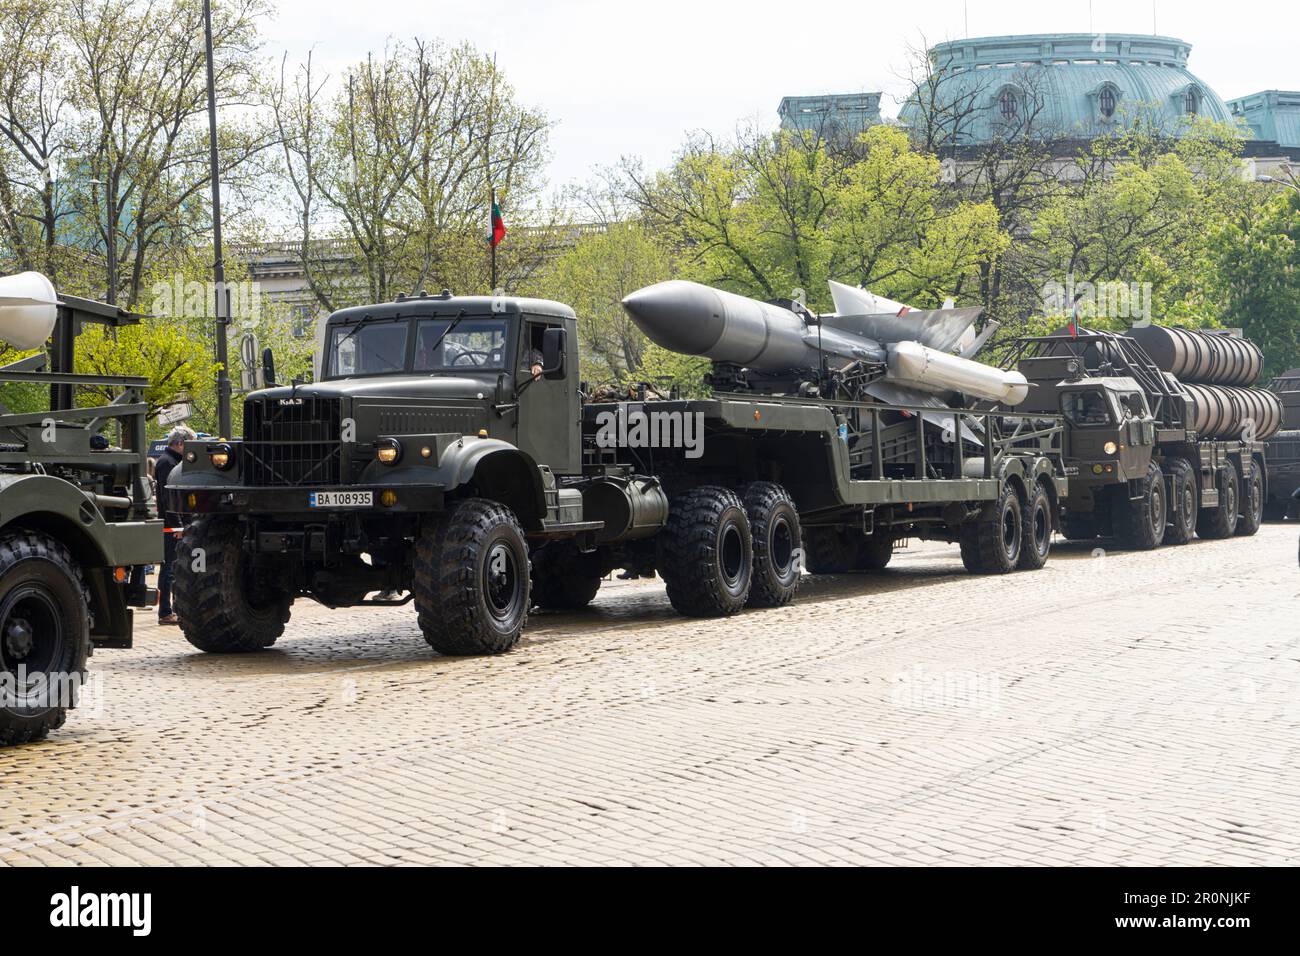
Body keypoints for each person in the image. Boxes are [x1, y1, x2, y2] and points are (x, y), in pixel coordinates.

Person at [154, 425, 196, 625]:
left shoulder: (170, 461)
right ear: (180, 443)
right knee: (169, 568)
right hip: (173, 525)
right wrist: (177, 525)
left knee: (173, 568)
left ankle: (171, 609)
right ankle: (165, 611)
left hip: (176, 523)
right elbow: (168, 497)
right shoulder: (167, 463)